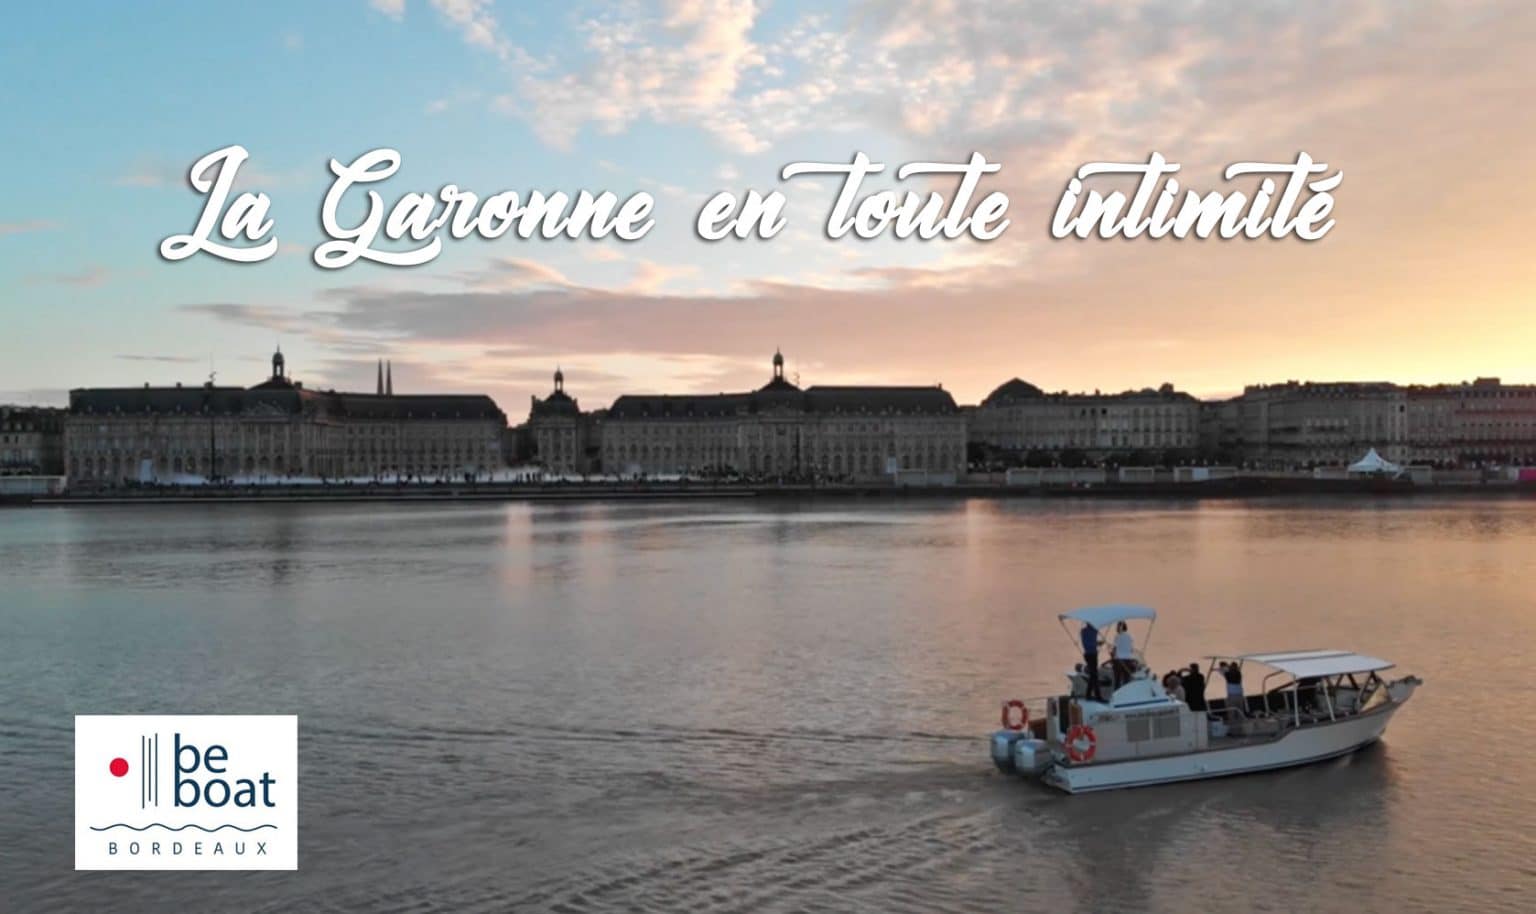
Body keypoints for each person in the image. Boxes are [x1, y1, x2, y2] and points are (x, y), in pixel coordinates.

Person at [1080, 622, 1102, 701]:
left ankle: (1088, 695)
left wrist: (1096, 643)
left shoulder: (1082, 631)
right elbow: (1093, 642)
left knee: (1093, 675)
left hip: (1087, 654)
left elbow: (1087, 642)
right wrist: (1099, 643)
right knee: (1094, 675)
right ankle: (1097, 696)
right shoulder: (1094, 630)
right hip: (1093, 654)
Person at [1111, 621, 1136, 690]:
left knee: (1117, 679)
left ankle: (1116, 693)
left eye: (1117, 627)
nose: (1116, 629)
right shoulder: (1130, 636)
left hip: (1119, 660)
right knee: (1126, 679)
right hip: (1128, 660)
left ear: (1120, 627)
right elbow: (1131, 649)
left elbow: (1114, 649)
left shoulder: (1117, 636)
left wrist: (1112, 654)